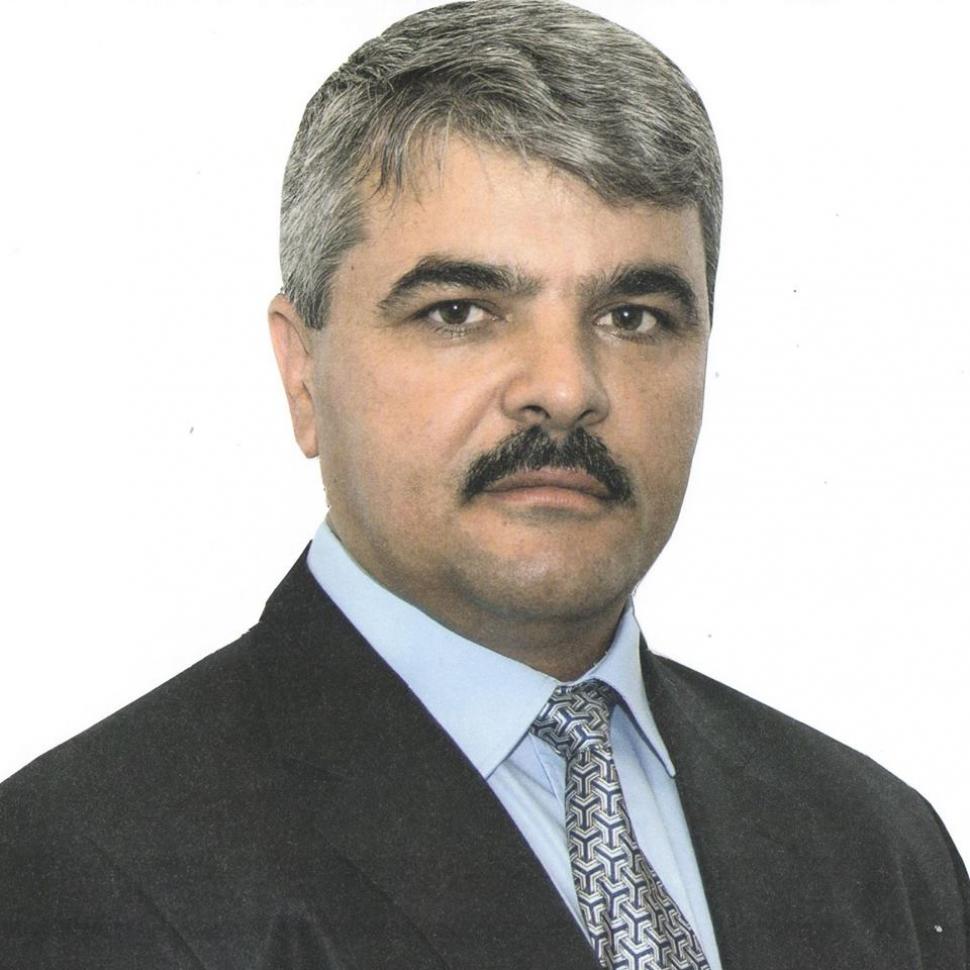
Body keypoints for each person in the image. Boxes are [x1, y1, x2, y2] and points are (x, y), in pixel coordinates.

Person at [1, 1, 967, 967]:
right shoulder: (83, 870)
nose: (565, 388)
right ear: (303, 374)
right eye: (460, 311)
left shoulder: (880, 848)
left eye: (633, 316)